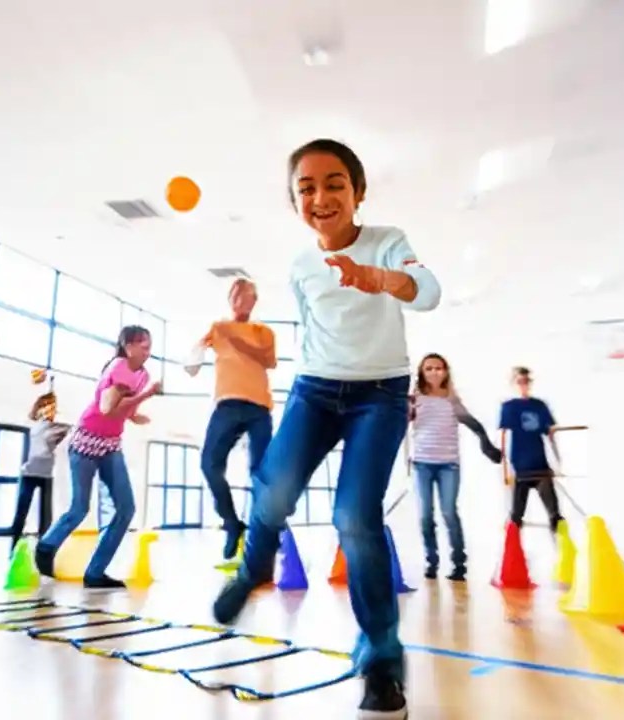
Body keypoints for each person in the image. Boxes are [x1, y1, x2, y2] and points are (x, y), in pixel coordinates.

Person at [212, 138, 440, 720]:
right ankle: (254, 564)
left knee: (354, 518)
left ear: (357, 193)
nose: (321, 196)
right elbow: (315, 329)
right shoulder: (299, 266)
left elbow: (428, 292)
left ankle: (382, 664)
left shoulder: (388, 242)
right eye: (306, 188)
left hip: (381, 395)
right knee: (273, 487)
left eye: (334, 183)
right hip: (315, 389)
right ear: (295, 204)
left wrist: (380, 279)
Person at [35, 326, 160, 589]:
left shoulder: (143, 375)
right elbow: (106, 410)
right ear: (127, 346)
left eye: (150, 346)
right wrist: (147, 394)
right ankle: (46, 547)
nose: (148, 351)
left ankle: (95, 572)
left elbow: (125, 410)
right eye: (143, 345)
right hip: (86, 441)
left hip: (110, 444)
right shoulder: (117, 367)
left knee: (126, 509)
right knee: (80, 507)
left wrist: (136, 414)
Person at [186, 278, 276, 559]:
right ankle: (231, 522)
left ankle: (267, 531)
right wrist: (196, 354)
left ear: (254, 301)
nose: (241, 302)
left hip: (258, 408)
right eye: (236, 296)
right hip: (226, 405)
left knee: (261, 472)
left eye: (247, 297)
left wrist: (238, 341)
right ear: (230, 299)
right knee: (209, 464)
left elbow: (269, 360)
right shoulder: (219, 328)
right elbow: (192, 364)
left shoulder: (263, 331)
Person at [407, 353, 500, 582]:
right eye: (429, 368)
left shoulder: (451, 400)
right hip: (422, 464)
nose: (434, 372)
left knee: (449, 512)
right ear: (422, 372)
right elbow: (402, 421)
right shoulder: (414, 398)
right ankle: (432, 561)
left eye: (439, 368)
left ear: (446, 371)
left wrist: (486, 444)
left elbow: (473, 423)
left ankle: (459, 563)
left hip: (449, 464)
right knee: (425, 515)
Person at [498, 367, 565, 534]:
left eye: (526, 381)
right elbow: (503, 436)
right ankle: (513, 554)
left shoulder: (539, 405)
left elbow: (550, 435)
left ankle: (563, 550)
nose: (523, 385)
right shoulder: (509, 407)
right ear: (513, 384)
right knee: (515, 517)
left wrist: (558, 463)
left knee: (555, 515)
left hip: (540, 464)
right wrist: (505, 470)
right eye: (519, 382)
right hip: (520, 466)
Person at [9, 383, 71, 554]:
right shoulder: (35, 424)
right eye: (48, 406)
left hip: (46, 475)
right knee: (21, 512)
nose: (51, 410)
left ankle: (44, 552)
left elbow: (70, 430)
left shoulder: (56, 428)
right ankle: (12, 549)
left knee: (46, 517)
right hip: (29, 473)